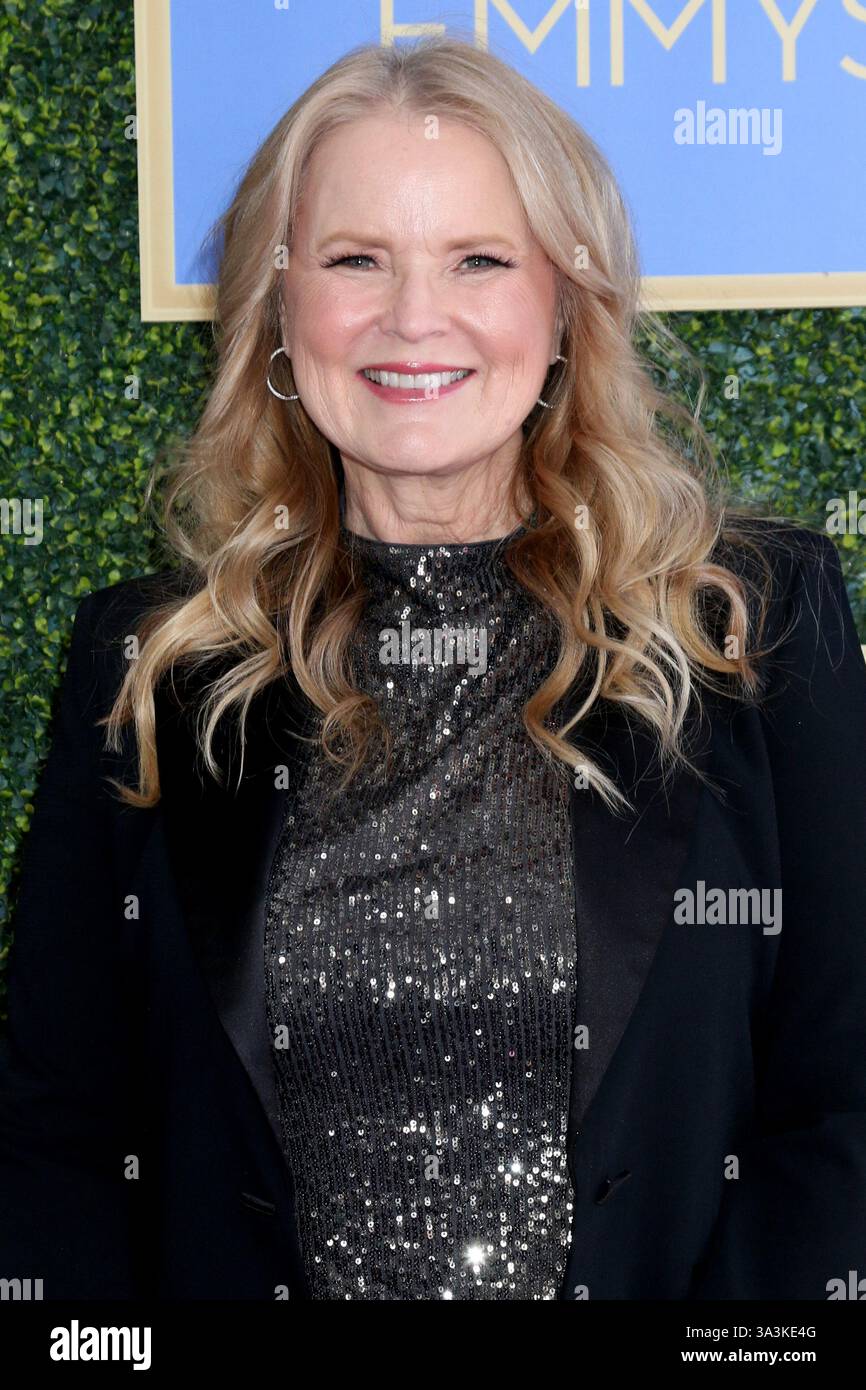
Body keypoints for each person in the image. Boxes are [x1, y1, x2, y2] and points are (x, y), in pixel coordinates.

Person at [2, 35, 865, 1302]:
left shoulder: (749, 621)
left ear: (563, 305)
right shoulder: (150, 663)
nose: (415, 318)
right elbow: (59, 1142)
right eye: (355, 260)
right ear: (277, 310)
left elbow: (840, 1100)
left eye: (478, 260)